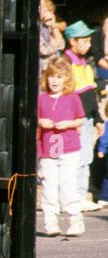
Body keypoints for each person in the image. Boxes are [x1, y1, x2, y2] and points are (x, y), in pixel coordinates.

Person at [37, 56, 85, 237]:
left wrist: (69, 124)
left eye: (58, 77)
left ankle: (75, 219)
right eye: (51, 76)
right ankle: (50, 221)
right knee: (49, 186)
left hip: (70, 149)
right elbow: (37, 120)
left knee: (67, 184)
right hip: (48, 150)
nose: (54, 81)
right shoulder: (41, 99)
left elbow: (80, 119)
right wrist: (42, 122)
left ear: (66, 79)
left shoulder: (72, 97)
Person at [61, 21, 103, 210]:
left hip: (87, 117)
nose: (88, 44)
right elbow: (68, 94)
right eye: (84, 41)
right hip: (75, 118)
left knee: (86, 156)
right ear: (72, 42)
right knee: (75, 158)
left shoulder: (85, 62)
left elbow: (89, 94)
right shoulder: (67, 62)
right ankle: (72, 197)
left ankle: (80, 194)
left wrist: (97, 119)